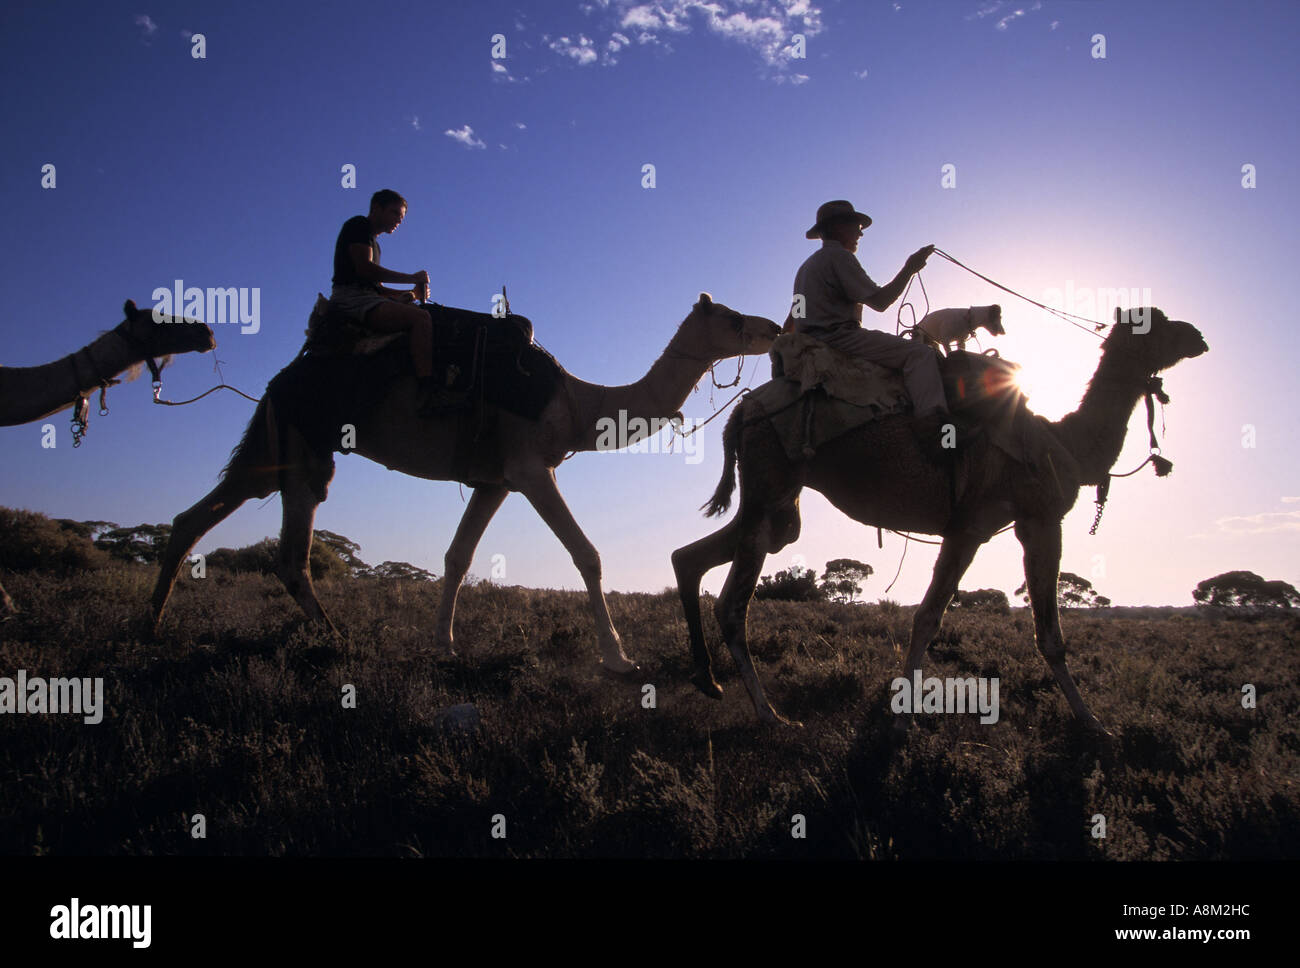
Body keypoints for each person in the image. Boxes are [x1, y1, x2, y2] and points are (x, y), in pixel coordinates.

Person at [785, 199, 954, 460]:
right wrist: (909, 268)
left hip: (811, 342)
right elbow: (880, 302)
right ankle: (935, 431)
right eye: (856, 226)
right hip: (839, 338)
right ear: (839, 227)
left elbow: (794, 318)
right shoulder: (839, 257)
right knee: (920, 354)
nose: (860, 233)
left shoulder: (805, 268)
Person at [328, 189, 438, 414]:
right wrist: (411, 278)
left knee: (424, 312)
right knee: (421, 319)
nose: (399, 220)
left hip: (366, 297)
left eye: (402, 216)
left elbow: (375, 289)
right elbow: (365, 269)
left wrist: (411, 294)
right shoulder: (358, 226)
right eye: (395, 213)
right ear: (376, 208)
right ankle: (426, 390)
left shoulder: (375, 244)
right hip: (351, 299)